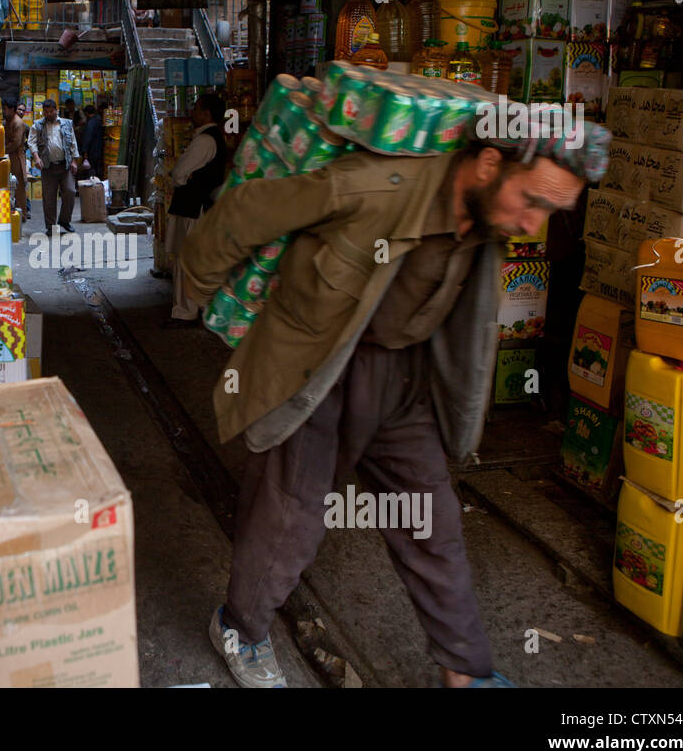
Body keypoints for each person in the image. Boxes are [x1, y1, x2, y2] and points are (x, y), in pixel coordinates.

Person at [181, 126, 607, 688]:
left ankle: (465, 671)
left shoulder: (486, 219)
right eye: (532, 200)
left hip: (403, 378)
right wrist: (206, 295)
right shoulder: (371, 187)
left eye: (551, 210)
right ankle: (240, 627)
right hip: (320, 367)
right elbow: (245, 211)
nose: (534, 224)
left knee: (433, 523)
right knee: (290, 516)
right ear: (486, 164)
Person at [164, 94, 229, 328]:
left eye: (197, 108)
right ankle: (193, 307)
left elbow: (179, 173)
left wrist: (184, 177)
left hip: (194, 207)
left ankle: (185, 311)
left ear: (207, 113)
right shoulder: (212, 138)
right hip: (198, 205)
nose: (192, 112)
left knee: (186, 261)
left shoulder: (204, 141)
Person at [28, 98, 79, 234]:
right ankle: (51, 227)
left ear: (56, 110)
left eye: (51, 111)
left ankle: (64, 220)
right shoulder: (37, 125)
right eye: (46, 112)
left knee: (70, 192)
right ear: (43, 112)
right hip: (48, 166)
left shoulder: (66, 124)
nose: (49, 114)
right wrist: (37, 158)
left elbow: (73, 142)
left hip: (65, 165)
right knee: (49, 197)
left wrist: (74, 161)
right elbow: (31, 142)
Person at [5, 96, 30, 219]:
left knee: (19, 187)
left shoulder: (18, 123)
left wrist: (4, 150)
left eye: (5, 109)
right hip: (11, 155)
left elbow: (15, 142)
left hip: (16, 156)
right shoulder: (9, 120)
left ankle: (23, 214)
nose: (4, 111)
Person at [78, 104, 105, 182]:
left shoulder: (90, 124)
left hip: (92, 151)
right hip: (100, 149)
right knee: (99, 169)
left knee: (91, 170)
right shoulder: (99, 120)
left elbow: (87, 139)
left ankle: (93, 186)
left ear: (86, 113)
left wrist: (85, 153)